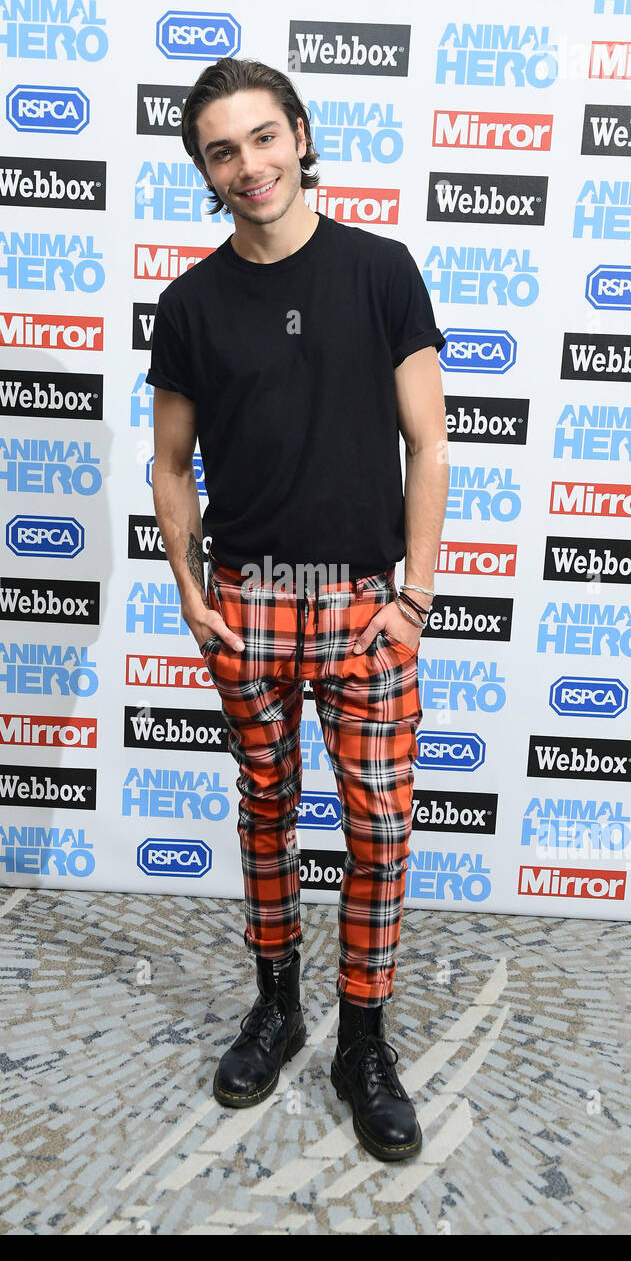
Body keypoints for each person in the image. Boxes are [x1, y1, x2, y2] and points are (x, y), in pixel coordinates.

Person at [147, 57, 448, 1163]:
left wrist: (413, 595)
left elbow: (430, 443)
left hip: (368, 607)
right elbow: (170, 466)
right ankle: (276, 1005)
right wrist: (190, 589)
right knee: (264, 811)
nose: (249, 165)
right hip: (248, 605)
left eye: (263, 138)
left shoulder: (380, 271)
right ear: (204, 170)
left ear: (301, 135)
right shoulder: (187, 303)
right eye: (222, 151)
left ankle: (361, 1039)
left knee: (378, 826)